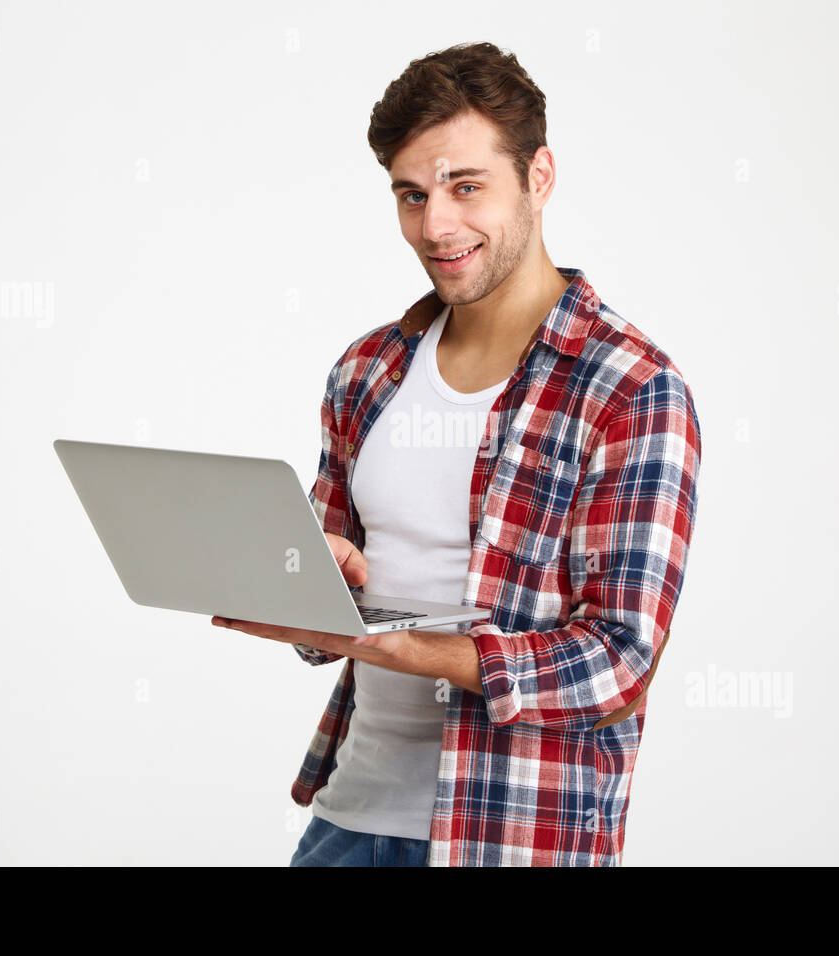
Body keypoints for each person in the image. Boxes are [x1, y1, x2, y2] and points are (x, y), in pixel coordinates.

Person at [211, 40, 702, 866]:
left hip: (512, 840)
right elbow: (324, 621)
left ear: (539, 177)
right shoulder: (366, 372)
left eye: (465, 186)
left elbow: (621, 662)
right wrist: (304, 577)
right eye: (411, 194)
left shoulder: (630, 387)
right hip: (348, 823)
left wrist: (420, 651)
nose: (435, 226)